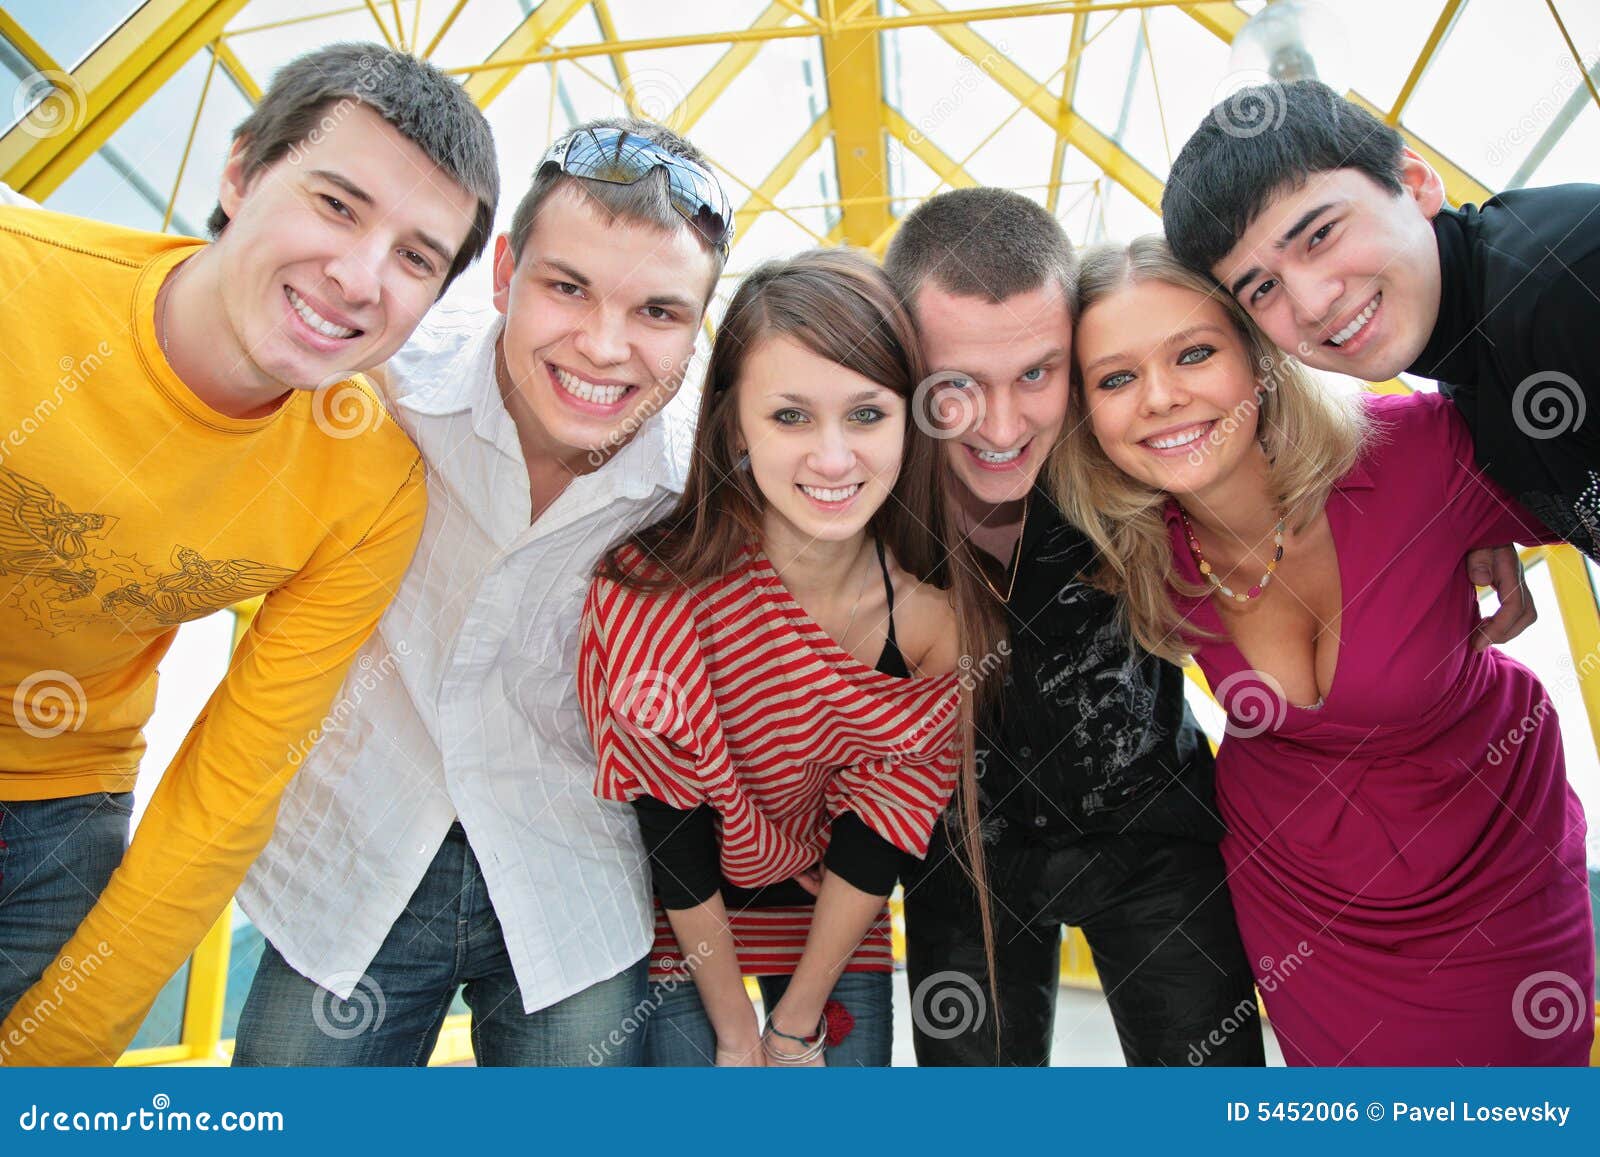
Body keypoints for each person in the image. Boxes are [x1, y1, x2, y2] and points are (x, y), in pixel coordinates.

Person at [0, 43, 497, 1065]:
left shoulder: (371, 483)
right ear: (240, 172)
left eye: (416, 256)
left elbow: (226, 789)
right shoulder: (22, 283)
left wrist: (52, 1059)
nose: (357, 277)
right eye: (336, 204)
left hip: (57, 808)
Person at [231, 120, 731, 1066]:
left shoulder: (710, 473)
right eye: (567, 286)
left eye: (659, 313)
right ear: (504, 273)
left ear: (696, 325)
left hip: (575, 867)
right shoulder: (386, 378)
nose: (604, 346)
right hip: (358, 851)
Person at [1059, 234, 1594, 1065]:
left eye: (1194, 352)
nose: (1160, 398)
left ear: (1261, 360)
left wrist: (1493, 529)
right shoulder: (1130, 550)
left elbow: (1569, 445)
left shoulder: (1415, 448)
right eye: (1116, 379)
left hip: (1494, 868)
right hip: (1303, 901)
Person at [579, 248, 1002, 1066]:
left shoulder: (934, 626)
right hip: (692, 929)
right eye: (791, 416)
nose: (834, 459)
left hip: (834, 931)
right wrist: (738, 1031)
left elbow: (883, 825)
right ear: (734, 420)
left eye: (867, 415)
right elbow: (672, 826)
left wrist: (797, 1022)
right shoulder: (649, 589)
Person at [885, 187, 1265, 1066]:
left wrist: (1474, 531)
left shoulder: (1136, 442)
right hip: (961, 856)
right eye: (957, 386)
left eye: (1037, 373)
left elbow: (1293, 445)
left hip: (1153, 834)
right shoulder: (858, 481)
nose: (1004, 425)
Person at [1163, 78, 1600, 562]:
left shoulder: (1571, 283)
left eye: (1321, 235)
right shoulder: (1469, 358)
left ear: (1414, 184)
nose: (1311, 304)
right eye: (1263, 288)